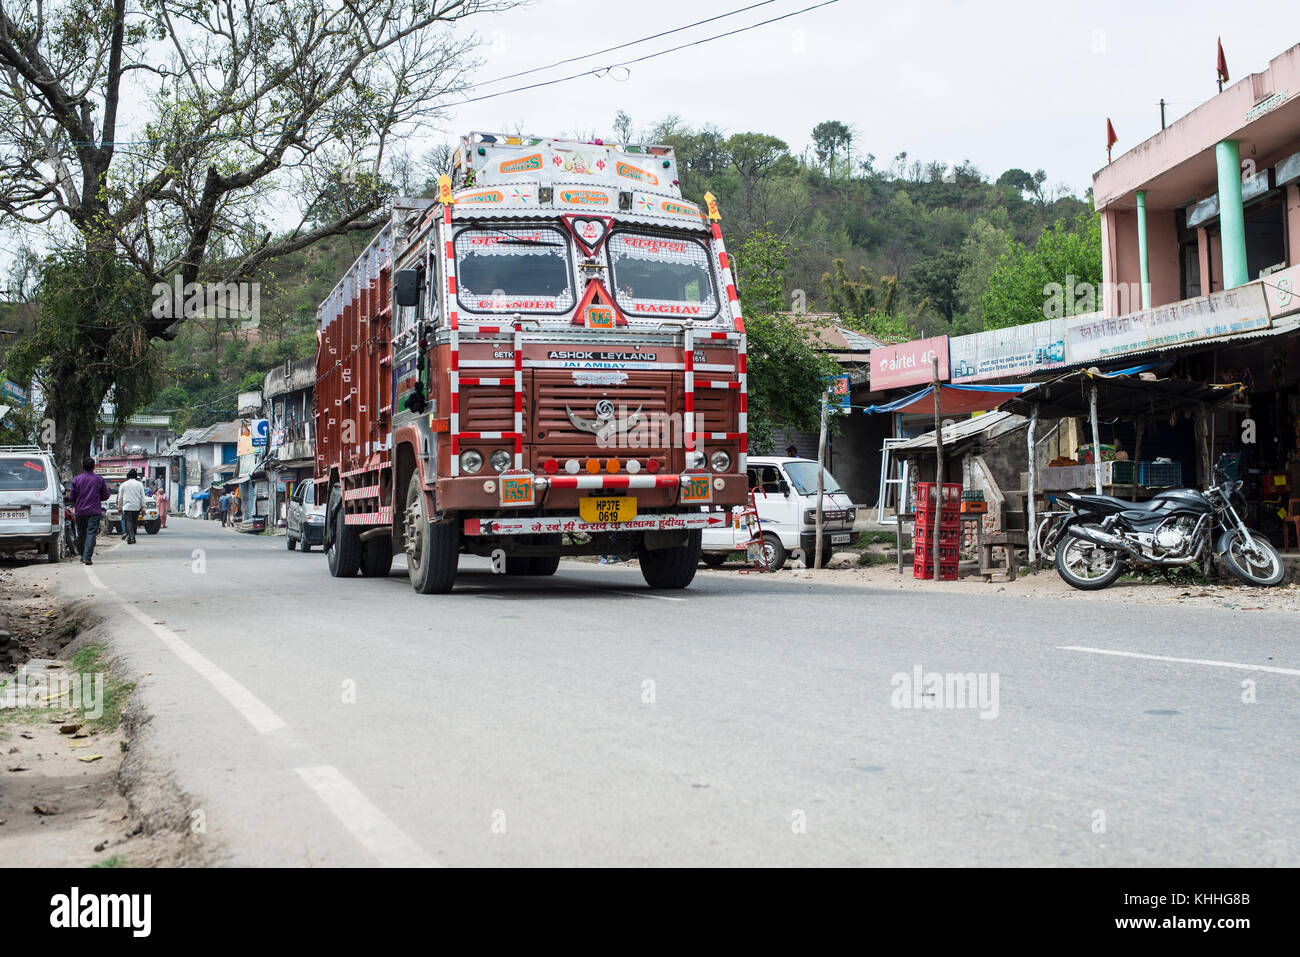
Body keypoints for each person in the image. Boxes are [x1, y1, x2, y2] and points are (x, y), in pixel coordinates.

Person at [69, 457, 109, 565]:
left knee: (81, 533)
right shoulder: (99, 479)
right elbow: (106, 495)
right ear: (94, 467)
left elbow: (71, 497)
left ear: (83, 467)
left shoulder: (76, 479)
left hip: (80, 511)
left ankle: (83, 555)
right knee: (91, 533)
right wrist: (96, 498)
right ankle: (87, 556)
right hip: (94, 511)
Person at [117, 467, 145, 544]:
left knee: (129, 521)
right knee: (134, 521)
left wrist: (119, 507)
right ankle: (131, 536)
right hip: (136, 507)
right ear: (136, 476)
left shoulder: (124, 484)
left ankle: (132, 537)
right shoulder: (139, 484)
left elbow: (120, 497)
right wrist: (143, 507)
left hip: (127, 506)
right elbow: (142, 496)